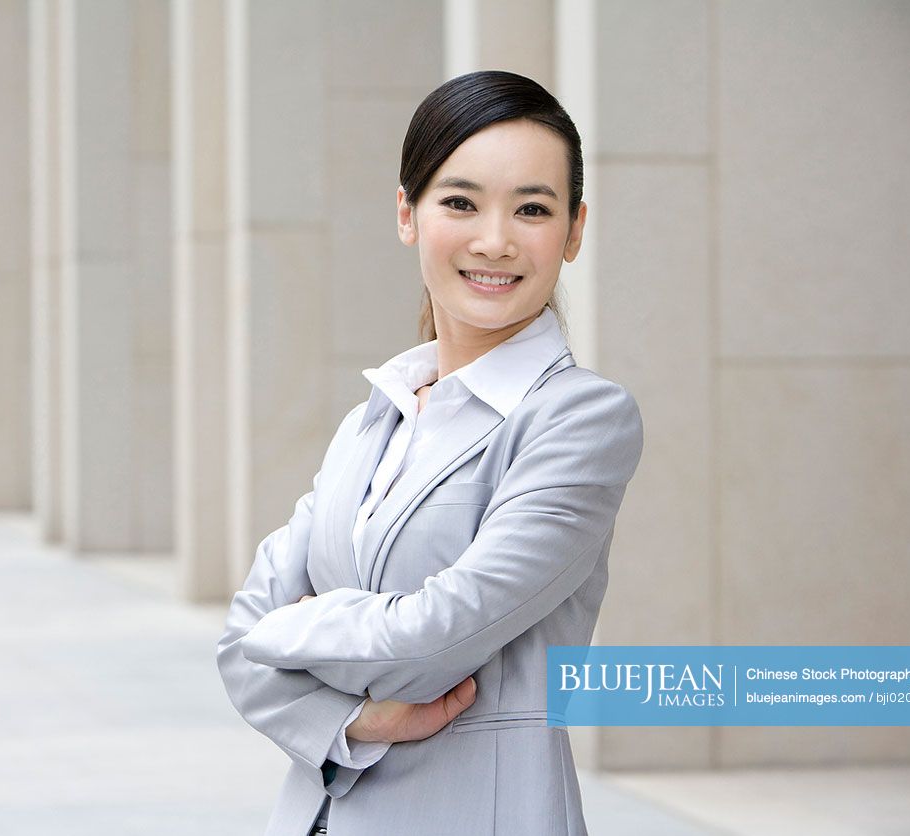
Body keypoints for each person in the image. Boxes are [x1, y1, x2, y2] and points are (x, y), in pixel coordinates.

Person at [216, 70, 644, 836]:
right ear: (407, 214)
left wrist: (294, 628)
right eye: (459, 202)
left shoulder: (578, 419)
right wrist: (354, 725)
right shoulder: (374, 417)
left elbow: (431, 642)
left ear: (574, 230)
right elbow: (236, 643)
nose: (494, 240)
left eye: (532, 209)